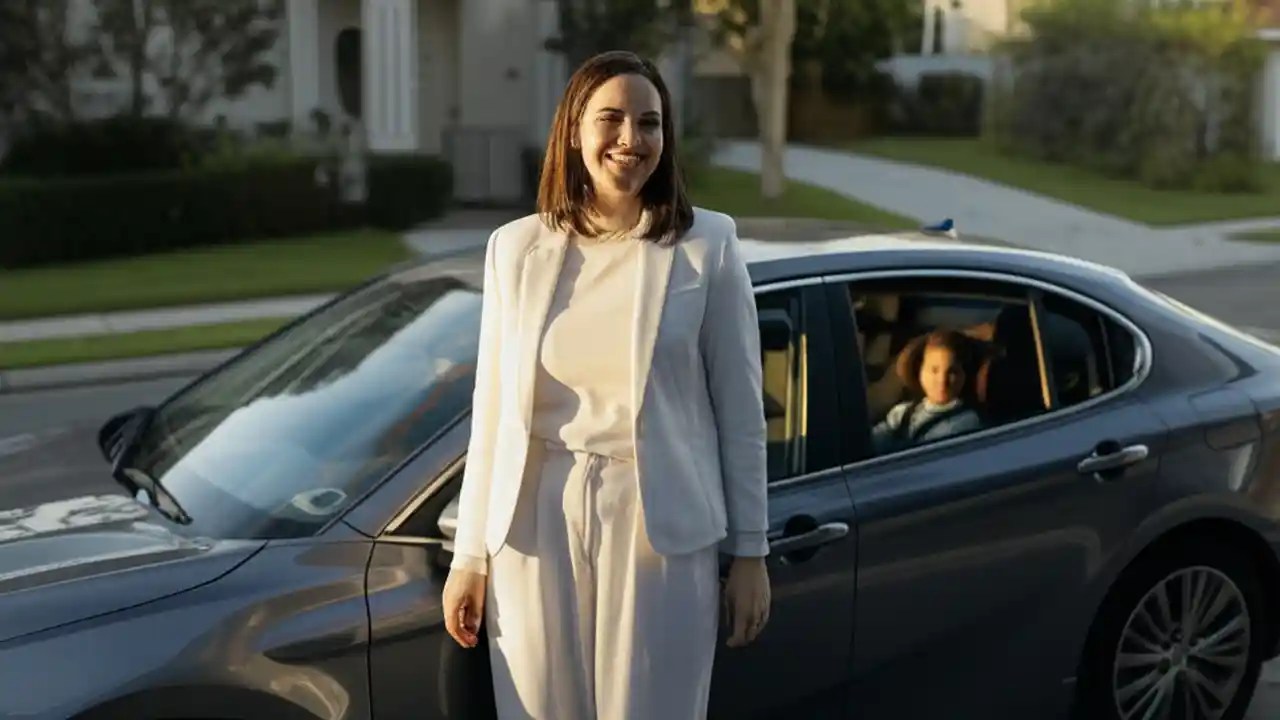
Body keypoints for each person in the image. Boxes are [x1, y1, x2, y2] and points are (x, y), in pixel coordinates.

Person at [440, 51, 771, 719]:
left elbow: (741, 414)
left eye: (649, 123)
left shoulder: (708, 246)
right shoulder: (514, 249)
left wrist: (752, 552)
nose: (630, 139)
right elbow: (493, 411)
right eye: (611, 118)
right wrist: (469, 555)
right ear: (573, 131)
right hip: (534, 521)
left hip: (659, 525)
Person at [871, 329, 984, 455]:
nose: (942, 380)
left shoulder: (966, 422)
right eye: (934, 370)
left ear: (965, 375)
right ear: (920, 371)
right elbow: (869, 444)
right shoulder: (902, 413)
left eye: (952, 372)